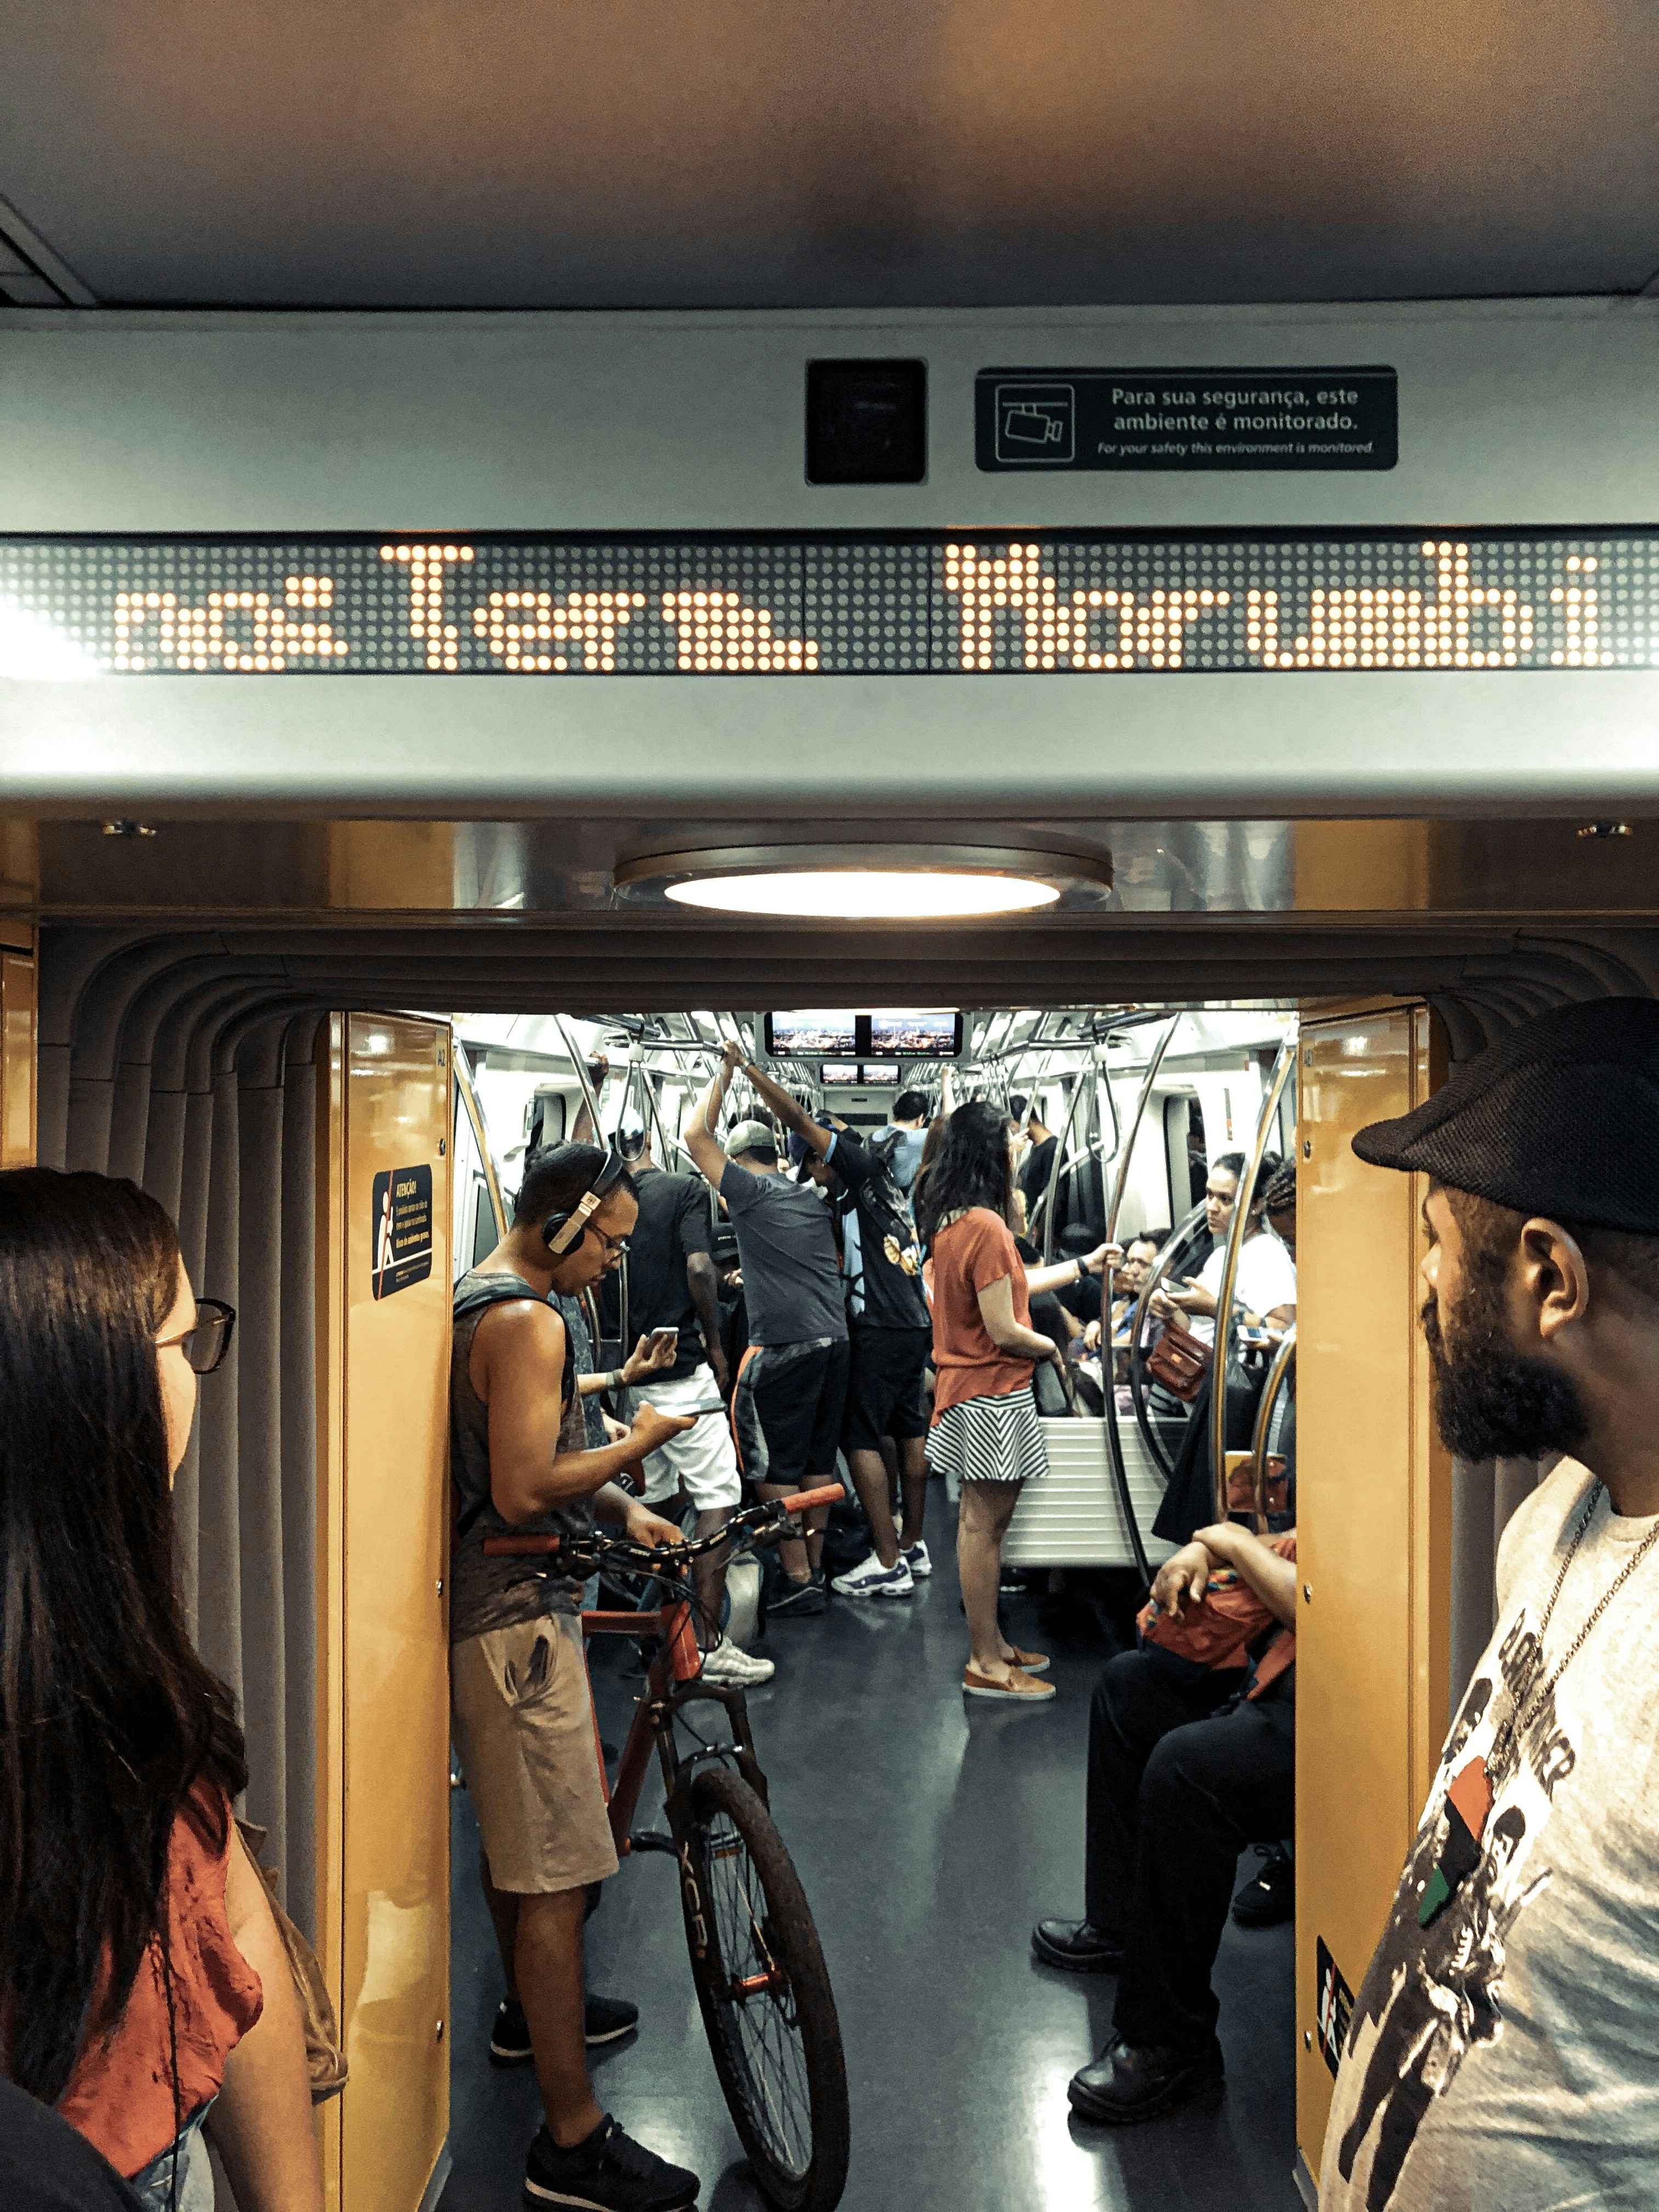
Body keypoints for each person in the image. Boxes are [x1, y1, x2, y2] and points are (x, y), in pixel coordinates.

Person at [1322, 996, 1659, 2211]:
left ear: (1550, 1278)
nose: (1421, 1286)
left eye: (1435, 1241)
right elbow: (1493, 1791)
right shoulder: (1554, 1526)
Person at [0, 1167, 324, 2211]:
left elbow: (220, 1912)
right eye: (182, 1342)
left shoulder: (114, 1657)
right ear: (89, 1388)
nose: (194, 1373)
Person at [449, 1142, 701, 2212]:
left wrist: (621, 1504)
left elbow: (546, 1449)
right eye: (606, 1240)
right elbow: (520, 1486)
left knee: (533, 1850)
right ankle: (572, 2142)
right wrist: (640, 1442)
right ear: (562, 1226)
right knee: (554, 1871)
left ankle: (527, 2012)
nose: (612, 1260)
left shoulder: (491, 1299)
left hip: (517, 1607)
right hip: (510, 1622)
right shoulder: (521, 1320)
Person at [1034, 1514, 1298, 2123]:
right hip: (1279, 1674)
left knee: (1188, 1770)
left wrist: (1226, 1538)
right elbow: (1294, 1545)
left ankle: (1171, 2043)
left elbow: (1325, 1604)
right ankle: (1119, 1926)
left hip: (1343, 1711)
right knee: (1130, 1686)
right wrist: (1202, 1551)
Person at [915, 1100, 1115, 1700]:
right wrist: (1051, 1349)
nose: (1017, 1149)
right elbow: (1004, 1327)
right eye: (1009, 1141)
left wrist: (1079, 1266)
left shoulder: (956, 1220)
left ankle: (994, 1643)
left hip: (969, 1388)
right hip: (993, 1392)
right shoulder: (990, 1227)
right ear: (992, 1152)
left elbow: (1010, 1286)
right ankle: (986, 1662)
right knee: (983, 1528)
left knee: (983, 1524)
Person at [738, 1056, 933, 1597]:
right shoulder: (878, 1185)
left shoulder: (855, 1168)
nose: (811, 1178)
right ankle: (913, 1544)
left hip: (878, 1323)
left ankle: (888, 1560)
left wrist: (748, 1070)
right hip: (914, 1319)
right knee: (908, 1429)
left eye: (814, 1166)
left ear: (828, 1160)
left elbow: (801, 1122)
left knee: (857, 1437)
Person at [597, 1131, 771, 1687]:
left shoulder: (600, 1200)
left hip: (629, 1378)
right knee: (719, 1496)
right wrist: (718, 1348)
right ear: (651, 1138)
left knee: (663, 1492)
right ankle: (707, 1644)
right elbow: (700, 1268)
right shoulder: (684, 1190)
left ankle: (659, 1619)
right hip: (681, 1372)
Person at [682, 1043, 849, 1620]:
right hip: (836, 1340)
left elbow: (693, 1136)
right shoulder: (807, 1198)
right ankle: (816, 1566)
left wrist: (726, 1072)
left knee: (765, 1458)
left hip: (783, 1345)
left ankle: (797, 1574)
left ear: (738, 1161)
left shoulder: (748, 1191)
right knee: (814, 1458)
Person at [1156, 1152, 1297, 1344]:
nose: (1212, 1207)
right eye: (1210, 1195)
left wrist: (1216, 1309)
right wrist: (1168, 1308)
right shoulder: (1221, 1255)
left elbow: (1283, 1327)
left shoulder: (1265, 1253)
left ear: (1256, 1204)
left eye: (1226, 1199)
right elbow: (1199, 1329)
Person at [879, 1087, 932, 1192]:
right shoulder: (914, 1139)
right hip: (900, 1202)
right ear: (921, 1118)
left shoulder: (872, 1138)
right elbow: (950, 1125)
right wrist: (946, 1079)